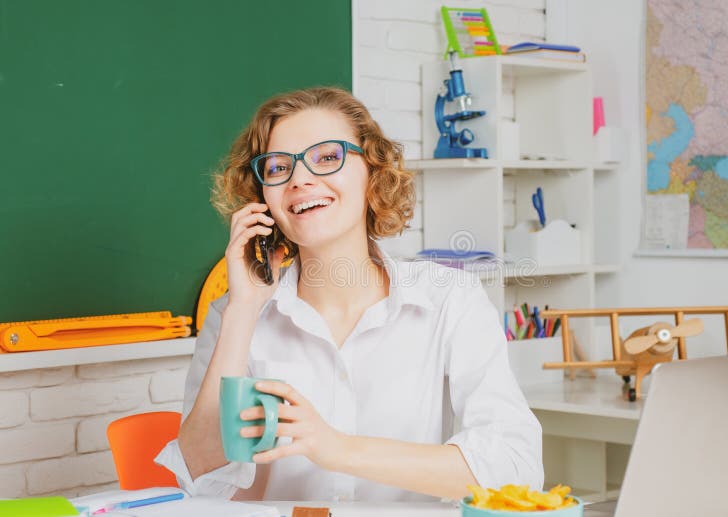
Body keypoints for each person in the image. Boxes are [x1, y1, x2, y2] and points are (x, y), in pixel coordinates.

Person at [155, 87, 543, 502]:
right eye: (278, 167)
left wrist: (336, 448)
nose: (300, 179)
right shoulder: (235, 314)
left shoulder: (451, 300)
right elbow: (200, 479)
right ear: (262, 198)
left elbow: (513, 467)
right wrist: (243, 309)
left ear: (372, 172)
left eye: (327, 157)